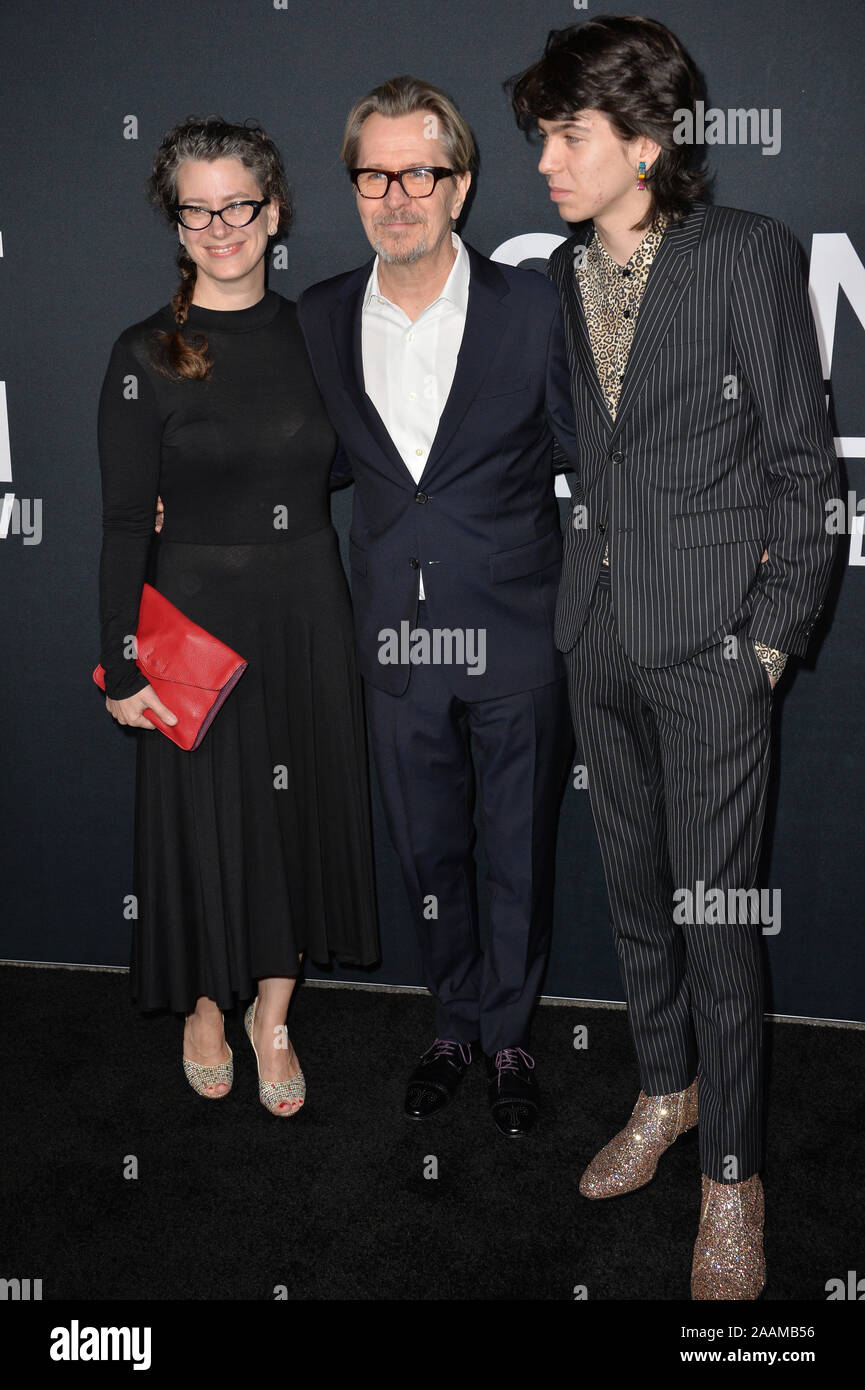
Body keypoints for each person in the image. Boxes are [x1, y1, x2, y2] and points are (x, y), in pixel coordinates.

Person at [508, 15, 837, 1294]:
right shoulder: (547, 280)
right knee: (637, 902)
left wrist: (766, 643)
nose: (546, 157)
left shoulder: (745, 256)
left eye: (568, 133)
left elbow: (806, 473)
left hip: (711, 649)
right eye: (541, 132)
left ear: (645, 142)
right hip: (595, 635)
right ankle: (664, 1092)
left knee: (715, 923)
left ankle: (734, 1179)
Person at [297, 77, 579, 1137]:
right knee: (427, 853)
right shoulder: (322, 314)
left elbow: (595, 450)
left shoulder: (537, 305)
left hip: (516, 629)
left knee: (516, 847)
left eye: (420, 172)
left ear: (458, 186)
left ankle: (509, 1037)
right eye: (374, 173)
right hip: (394, 639)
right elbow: (308, 459)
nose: (395, 195)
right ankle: (451, 1025)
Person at [98, 117, 378, 1116]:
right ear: (176, 221)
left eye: (239, 206)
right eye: (197, 209)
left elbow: (357, 462)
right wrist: (121, 664)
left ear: (274, 211)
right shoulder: (145, 351)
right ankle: (205, 1008)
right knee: (205, 827)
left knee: (293, 820)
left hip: (304, 608)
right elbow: (127, 518)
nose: (221, 226)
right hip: (193, 625)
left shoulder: (319, 335)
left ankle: (272, 1014)